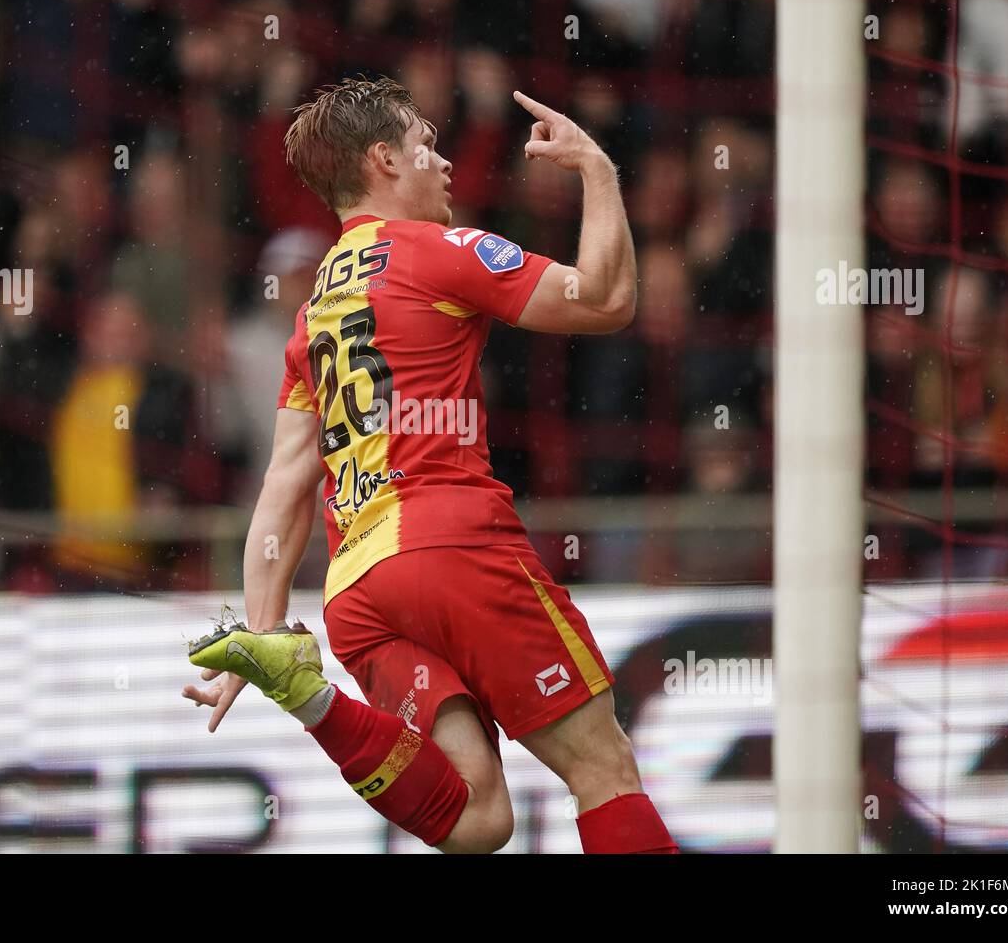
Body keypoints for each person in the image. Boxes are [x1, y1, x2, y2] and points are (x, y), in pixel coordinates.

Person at [182, 76, 676, 854]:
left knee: (478, 819)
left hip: (359, 590)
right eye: (427, 145)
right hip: (452, 546)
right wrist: (597, 170)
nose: (443, 163)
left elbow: (284, 485)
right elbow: (605, 299)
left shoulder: (312, 317)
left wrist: (265, 625)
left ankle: (306, 695)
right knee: (604, 769)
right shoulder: (440, 250)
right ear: (384, 159)